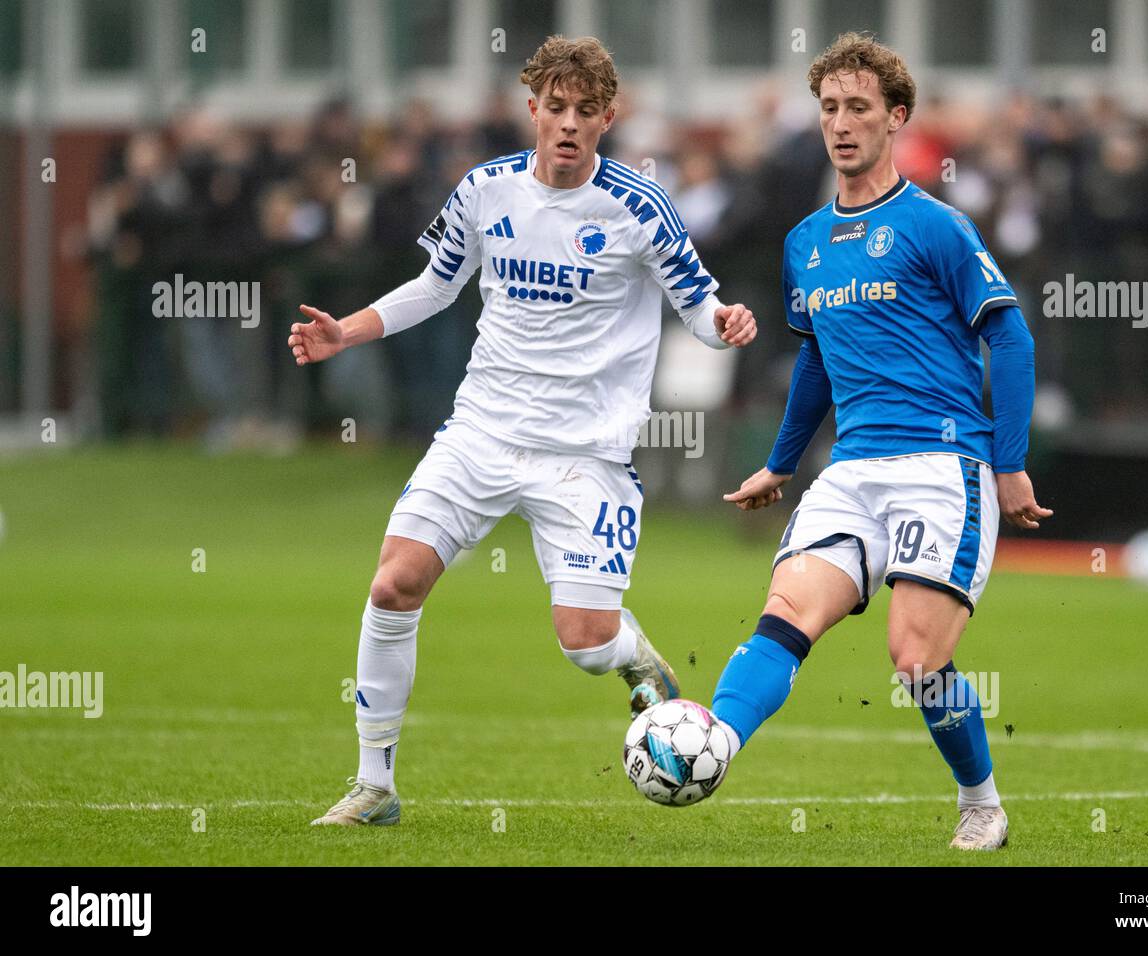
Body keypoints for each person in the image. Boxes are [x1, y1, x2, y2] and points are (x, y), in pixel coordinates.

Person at [289, 36, 757, 826]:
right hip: (481, 430)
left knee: (582, 642)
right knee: (393, 583)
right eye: (556, 107)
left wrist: (726, 323)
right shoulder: (485, 189)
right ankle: (375, 785)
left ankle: (629, 651)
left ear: (609, 117)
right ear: (531, 107)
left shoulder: (639, 208)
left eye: (586, 111)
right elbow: (435, 287)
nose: (568, 124)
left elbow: (698, 304)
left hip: (585, 457)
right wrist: (349, 330)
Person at [707, 32, 1047, 850]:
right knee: (785, 614)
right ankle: (706, 747)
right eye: (828, 108)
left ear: (896, 117)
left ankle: (980, 803)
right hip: (851, 468)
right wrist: (782, 462)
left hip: (944, 464)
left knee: (915, 661)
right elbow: (818, 358)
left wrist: (1008, 463)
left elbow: (1013, 339)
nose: (841, 123)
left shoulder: (937, 226)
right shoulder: (805, 244)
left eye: (859, 107)